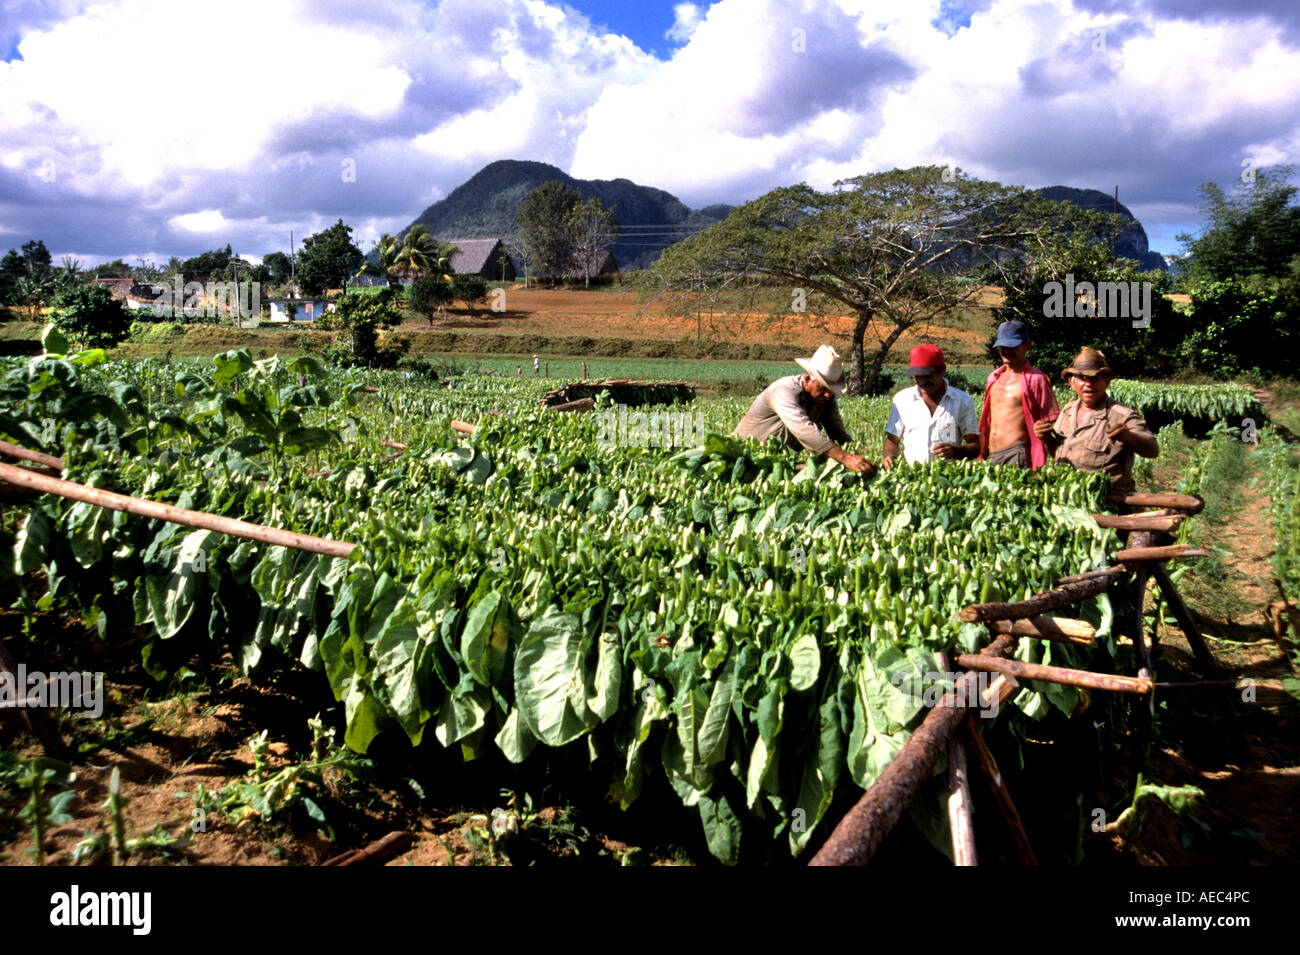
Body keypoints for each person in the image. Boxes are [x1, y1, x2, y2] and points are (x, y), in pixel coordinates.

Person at [733, 345, 875, 473]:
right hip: (743, 459)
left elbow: (837, 433)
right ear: (807, 379)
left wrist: (859, 458)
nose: (828, 395)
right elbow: (803, 429)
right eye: (823, 388)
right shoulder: (783, 390)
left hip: (776, 464)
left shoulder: (826, 399)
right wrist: (845, 458)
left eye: (831, 390)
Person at [1040, 347, 1158, 494]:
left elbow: (1153, 451)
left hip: (1109, 504)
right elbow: (1058, 453)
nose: (1088, 384)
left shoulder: (1121, 416)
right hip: (1070, 501)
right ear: (1072, 383)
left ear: (1106, 381)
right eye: (1082, 378)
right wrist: (1046, 438)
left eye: (1095, 378)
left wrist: (1128, 436)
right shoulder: (1067, 412)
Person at [978, 320, 1059, 467]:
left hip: (1016, 453)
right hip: (991, 453)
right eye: (1003, 346)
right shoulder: (993, 378)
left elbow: (1048, 419)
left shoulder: (1037, 379)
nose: (1007, 351)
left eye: (1012, 346)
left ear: (1026, 345)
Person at [882, 344, 979, 468]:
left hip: (948, 479)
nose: (922, 382)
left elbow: (975, 445)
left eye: (927, 376)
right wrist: (889, 457)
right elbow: (892, 440)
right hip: (912, 478)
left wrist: (956, 451)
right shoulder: (902, 399)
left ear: (942, 370)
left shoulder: (963, 401)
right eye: (918, 376)